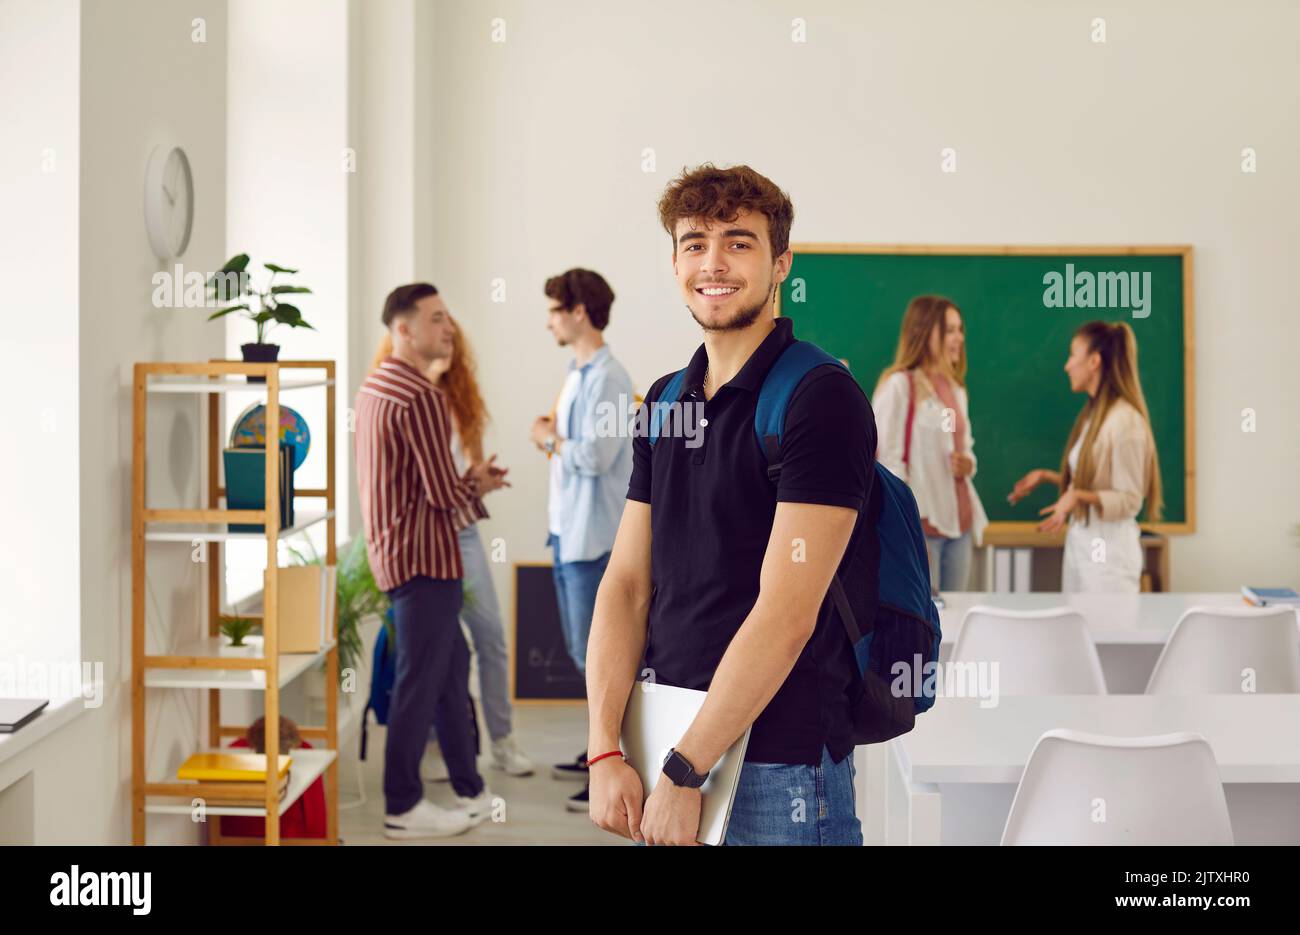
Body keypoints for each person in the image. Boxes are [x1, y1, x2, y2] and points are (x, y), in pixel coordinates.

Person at [586, 163, 875, 845]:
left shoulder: (819, 397)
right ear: (675, 261)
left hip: (775, 762)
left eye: (738, 243)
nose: (712, 263)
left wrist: (689, 771)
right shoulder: (663, 400)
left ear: (781, 263)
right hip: (667, 735)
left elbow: (787, 613)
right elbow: (627, 584)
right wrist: (604, 747)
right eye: (694, 243)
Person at [355, 283, 509, 839]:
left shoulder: (377, 386)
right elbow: (443, 495)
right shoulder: (420, 393)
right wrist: (480, 484)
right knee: (422, 681)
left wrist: (466, 485)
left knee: (450, 669)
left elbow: (417, 485)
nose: (448, 329)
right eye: (437, 318)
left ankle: (468, 789)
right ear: (404, 329)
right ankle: (402, 804)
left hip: (402, 554)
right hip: (425, 559)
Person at [371, 325, 536, 780]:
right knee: (434, 648)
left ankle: (501, 742)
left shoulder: (456, 400)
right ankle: (435, 746)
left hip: (458, 533)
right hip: (417, 541)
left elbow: (466, 470)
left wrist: (480, 478)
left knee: (489, 636)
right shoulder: (396, 396)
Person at [529, 268, 635, 813]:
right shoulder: (579, 372)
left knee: (600, 658)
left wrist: (550, 440)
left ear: (577, 311)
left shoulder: (608, 378)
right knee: (585, 655)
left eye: (554, 310)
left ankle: (612, 762)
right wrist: (557, 437)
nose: (548, 321)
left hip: (595, 539)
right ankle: (599, 749)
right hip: (570, 532)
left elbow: (597, 456)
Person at [1008, 320, 1162, 592]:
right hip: (1082, 543)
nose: (1067, 366)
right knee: (1080, 630)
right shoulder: (1094, 417)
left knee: (1106, 633)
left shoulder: (1126, 422)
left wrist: (1077, 496)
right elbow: (1098, 482)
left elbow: (1129, 499)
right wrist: (1048, 477)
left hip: (1109, 552)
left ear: (1094, 361)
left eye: (1072, 355)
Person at [873, 296, 987, 592]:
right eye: (949, 330)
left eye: (960, 329)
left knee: (957, 622)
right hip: (921, 528)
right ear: (925, 332)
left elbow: (966, 448)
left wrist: (968, 463)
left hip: (959, 524)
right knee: (925, 626)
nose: (959, 338)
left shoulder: (956, 389)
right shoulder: (899, 386)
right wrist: (905, 529)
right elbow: (887, 464)